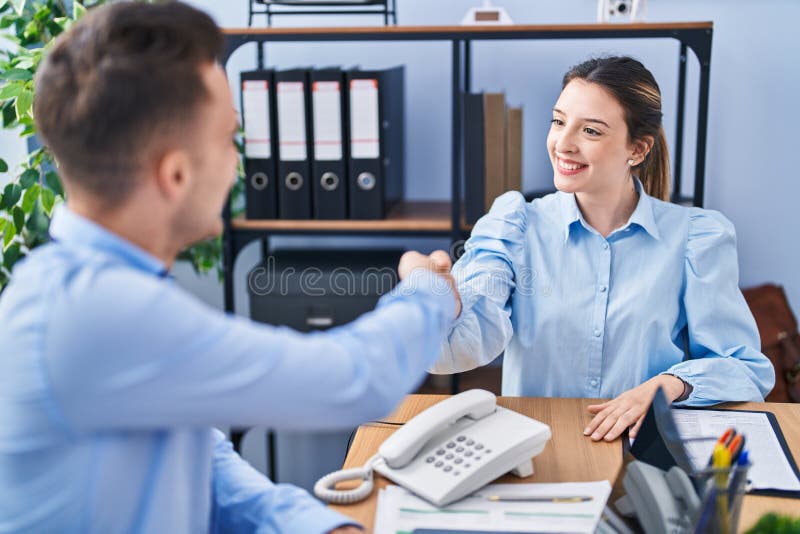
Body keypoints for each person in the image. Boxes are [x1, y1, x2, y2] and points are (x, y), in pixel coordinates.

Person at [0, 2, 460, 533]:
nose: (238, 163)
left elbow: (201, 452)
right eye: (227, 140)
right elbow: (351, 380)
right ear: (174, 175)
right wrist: (427, 291)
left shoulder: (105, 287)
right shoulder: (93, 310)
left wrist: (316, 525)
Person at [430, 56, 774, 443]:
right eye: (559, 121)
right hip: (536, 447)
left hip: (642, 454)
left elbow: (746, 370)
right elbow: (460, 350)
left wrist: (669, 384)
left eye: (590, 131)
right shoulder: (514, 225)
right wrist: (440, 304)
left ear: (638, 149)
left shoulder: (696, 238)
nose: (563, 143)